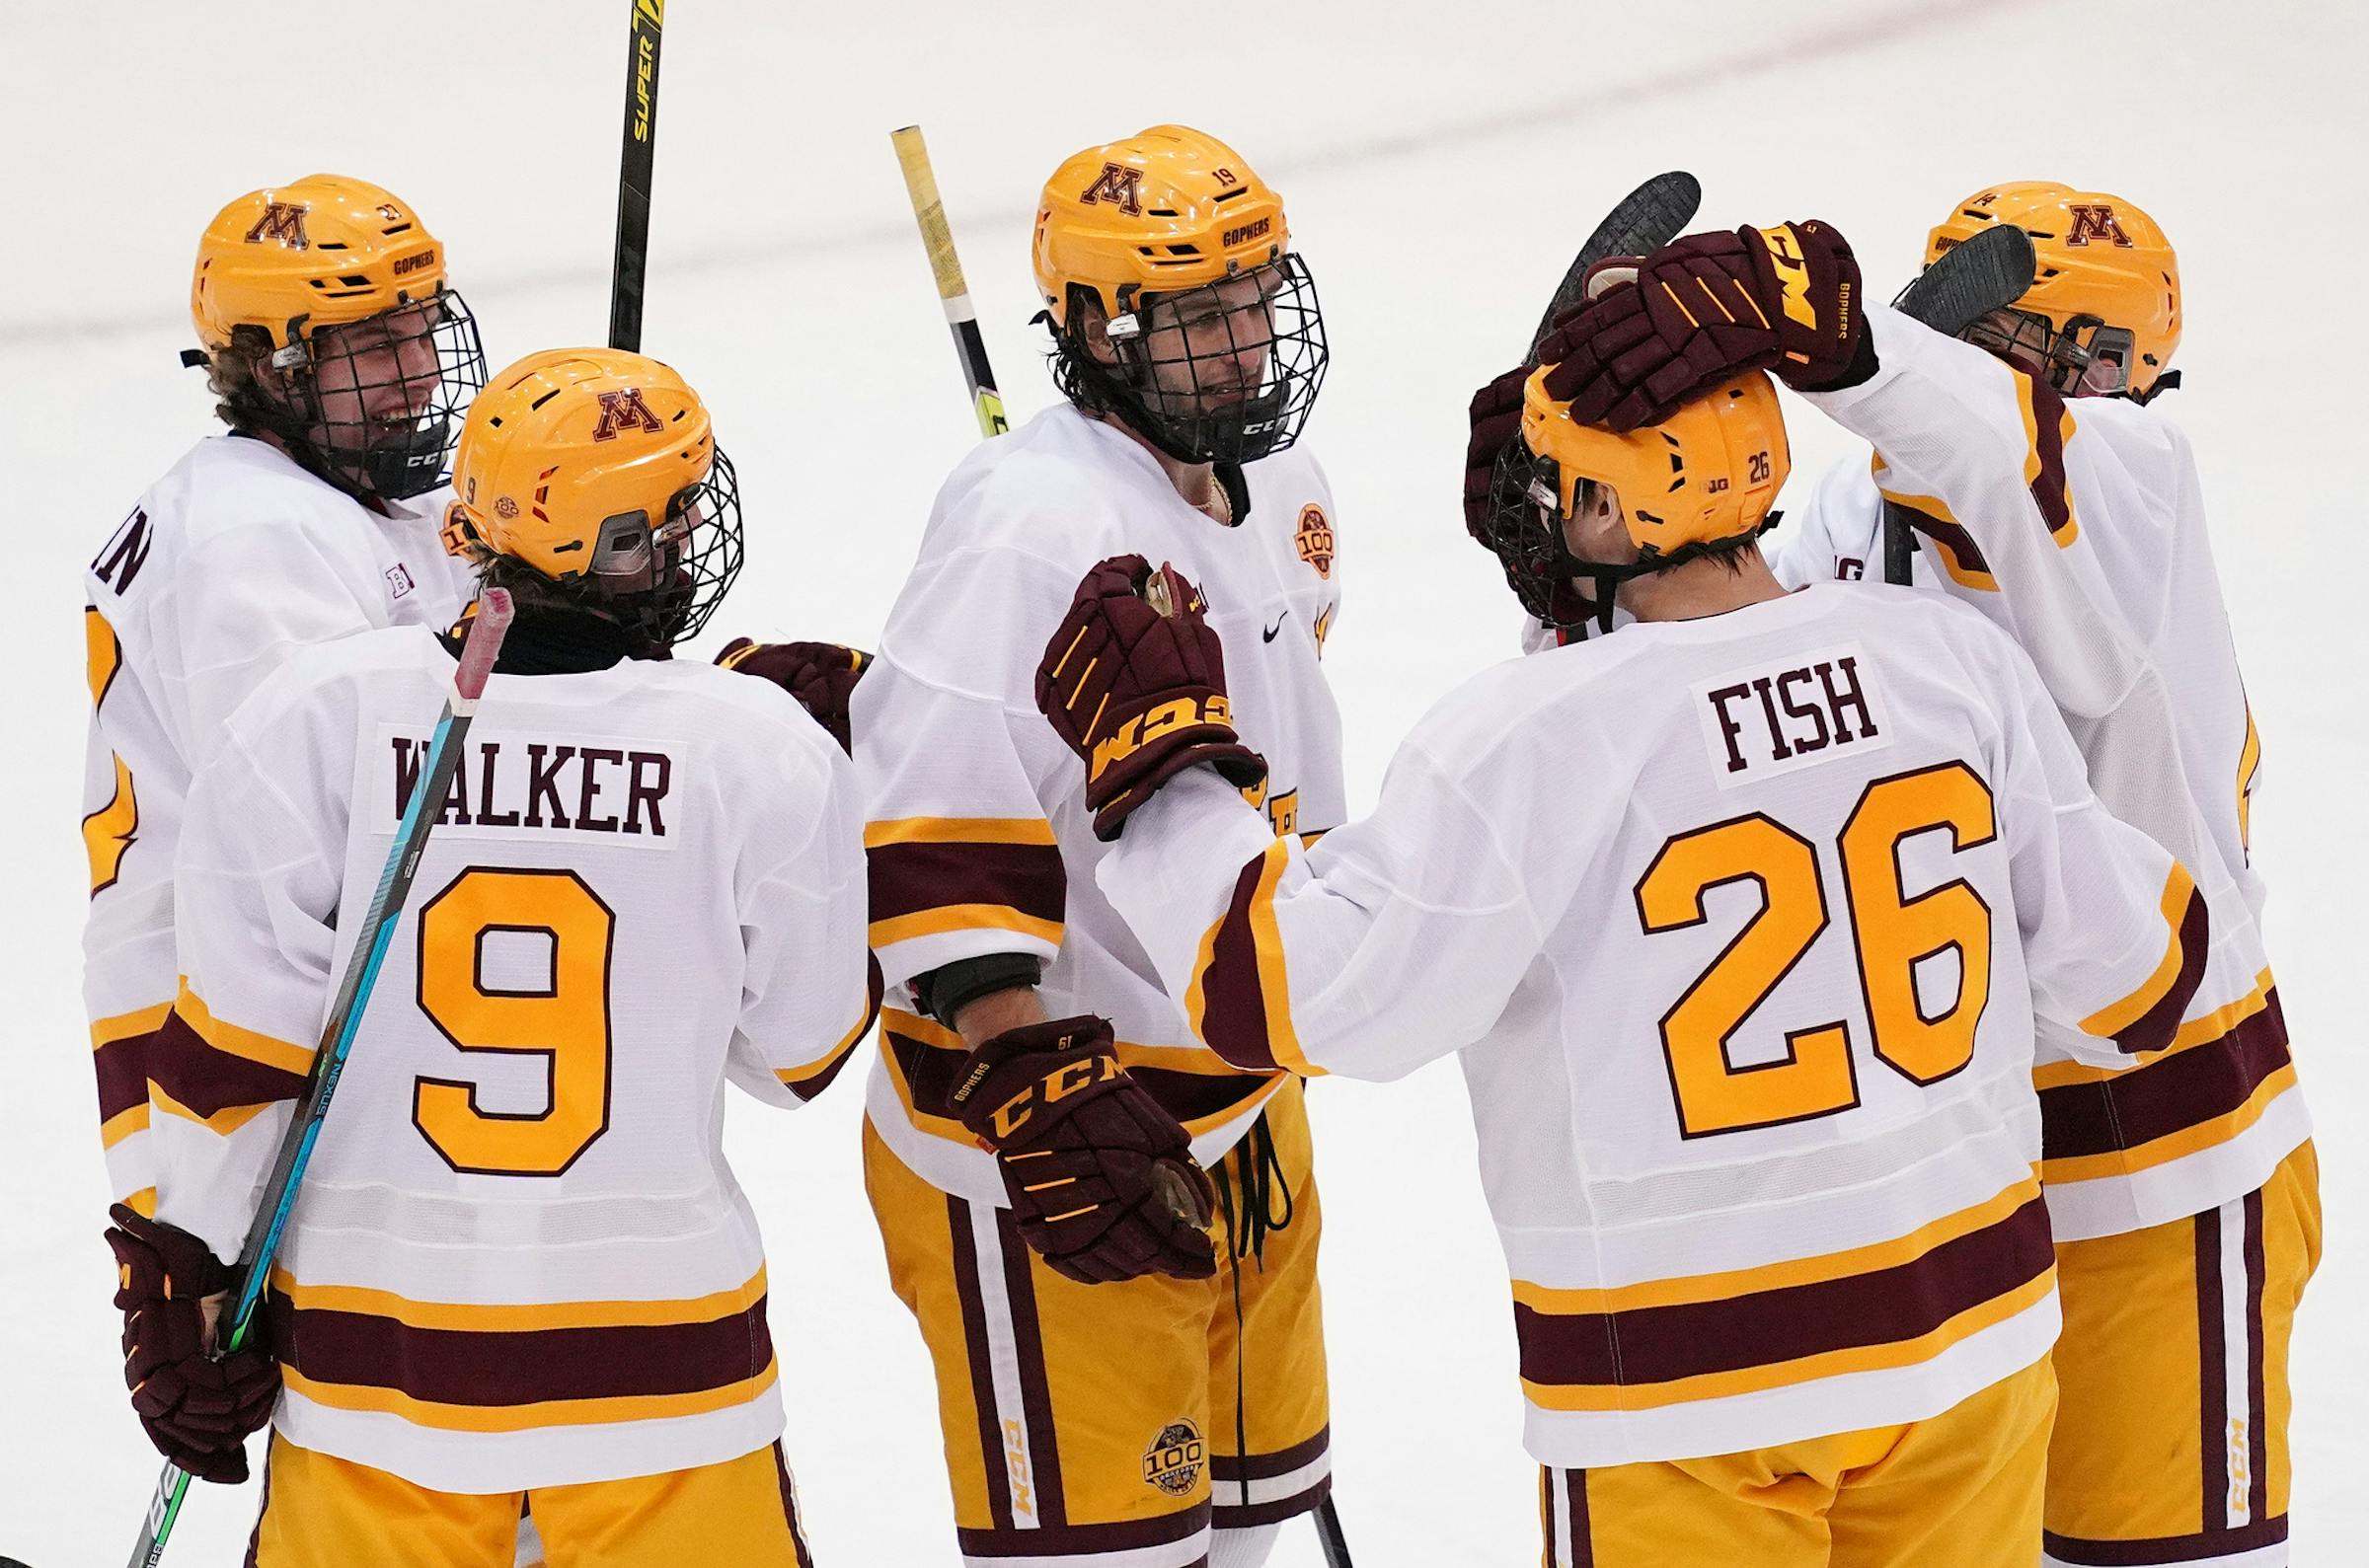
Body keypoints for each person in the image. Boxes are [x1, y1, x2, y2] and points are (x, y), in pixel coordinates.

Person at [1043, 361, 2214, 1566]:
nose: (1533, 508)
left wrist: (1176, 786)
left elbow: (1296, 995)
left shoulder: (1524, 738)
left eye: (1555, 486)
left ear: (1608, 512)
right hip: (1971, 1346)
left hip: (1689, 1382)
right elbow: (2136, 978)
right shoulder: (1947, 659)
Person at [1557, 194, 2317, 1567]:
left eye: (2025, 332)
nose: (2002, 358)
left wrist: (1855, 356)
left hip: (2164, 1144)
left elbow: (2010, 465)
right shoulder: (1851, 502)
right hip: (1959, 1171)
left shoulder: (2135, 473)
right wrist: (1588, 502)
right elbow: (1681, 679)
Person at [102, 347, 877, 1565]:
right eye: (665, 518)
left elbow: (235, 1047)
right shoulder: (759, 749)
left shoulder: (315, 713)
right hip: (666, 1390)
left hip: (376, 1383)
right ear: (625, 547)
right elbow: (801, 1054)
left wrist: (186, 1267)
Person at [850, 124, 1341, 1568]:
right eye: (1199, 318)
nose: (1246, 345)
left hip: (1244, 1106)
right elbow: (918, 814)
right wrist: (1028, 1073)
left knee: (1244, 1529)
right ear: (1090, 329)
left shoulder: (1287, 478)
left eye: (1258, 300)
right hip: (1064, 1135)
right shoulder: (1029, 525)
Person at [82, 174, 484, 1218]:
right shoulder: (254, 538)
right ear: (274, 366)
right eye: (375, 347)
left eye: (421, 329)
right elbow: (324, 835)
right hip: (229, 1062)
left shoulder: (369, 496)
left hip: (308, 1019)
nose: (417, 373)